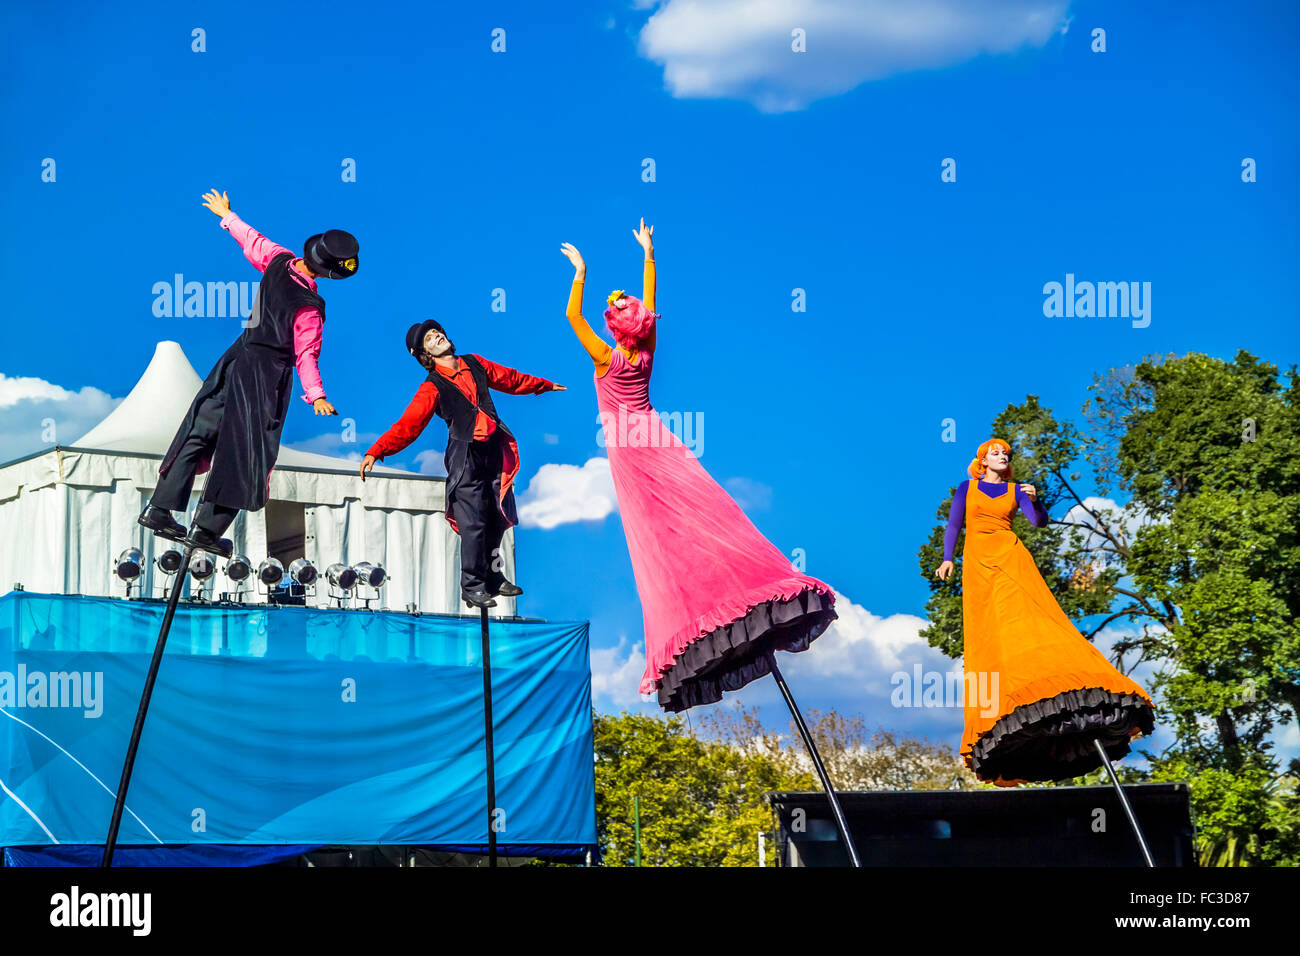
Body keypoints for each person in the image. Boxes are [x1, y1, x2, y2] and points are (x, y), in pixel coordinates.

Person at [559, 220, 837, 713]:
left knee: (659, 537)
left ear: (613, 328)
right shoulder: (645, 352)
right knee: (701, 510)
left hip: (630, 449)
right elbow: (649, 303)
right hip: (659, 439)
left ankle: (704, 601)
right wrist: (649, 254)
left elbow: (571, 318)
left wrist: (580, 273)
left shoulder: (606, 358)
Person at [139, 189, 357, 558]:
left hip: (237, 359)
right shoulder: (309, 306)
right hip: (265, 375)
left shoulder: (280, 261)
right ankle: (206, 529)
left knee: (202, 430)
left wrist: (227, 215)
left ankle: (160, 509)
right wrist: (316, 394)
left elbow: (253, 240)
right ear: (329, 272)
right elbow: (306, 353)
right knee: (247, 453)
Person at [935, 437, 1155, 785]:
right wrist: (948, 558)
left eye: (1006, 453)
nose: (1002, 455)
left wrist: (1037, 501)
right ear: (982, 459)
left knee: (1026, 615)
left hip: (1011, 556)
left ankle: (1049, 679)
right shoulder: (968, 488)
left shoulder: (1016, 489)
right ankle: (1003, 695)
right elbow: (954, 525)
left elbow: (1038, 522)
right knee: (989, 630)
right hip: (977, 563)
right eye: (996, 451)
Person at [360, 321, 564, 609]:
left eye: (437, 332)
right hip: (466, 456)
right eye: (430, 339)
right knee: (474, 522)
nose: (437, 336)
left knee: (497, 517)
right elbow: (409, 425)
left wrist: (541, 385)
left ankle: (494, 577)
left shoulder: (474, 363)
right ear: (424, 354)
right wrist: (377, 450)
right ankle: (472, 585)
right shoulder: (432, 387)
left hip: (493, 450)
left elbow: (510, 378)